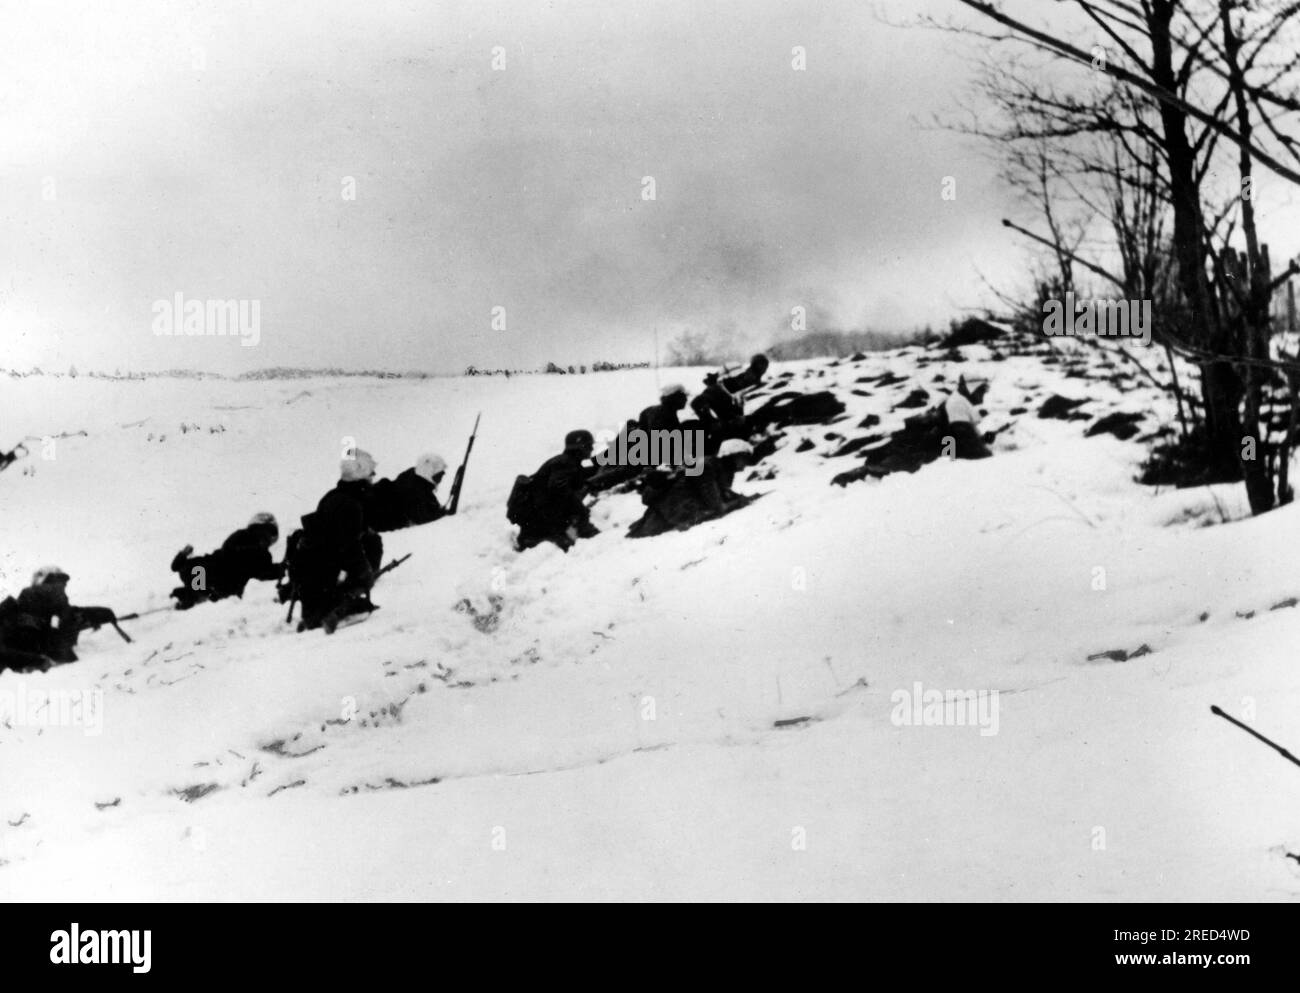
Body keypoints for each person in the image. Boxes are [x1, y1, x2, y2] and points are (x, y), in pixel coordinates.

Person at [291, 449, 385, 632]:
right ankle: (332, 615)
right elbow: (349, 546)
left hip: (311, 573)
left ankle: (318, 616)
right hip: (325, 574)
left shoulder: (333, 497)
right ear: (361, 473)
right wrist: (365, 573)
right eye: (370, 474)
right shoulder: (351, 505)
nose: (372, 478)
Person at [627, 439, 756, 539]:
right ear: (732, 456)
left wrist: (735, 498)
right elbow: (715, 502)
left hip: (679, 505)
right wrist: (736, 503)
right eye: (743, 458)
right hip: (676, 507)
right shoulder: (707, 466)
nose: (745, 463)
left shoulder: (722, 468)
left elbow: (721, 492)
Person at [0, 566, 118, 664]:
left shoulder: (24, 595)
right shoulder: (51, 591)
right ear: (50, 580)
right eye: (61, 582)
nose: (63, 586)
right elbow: (70, 615)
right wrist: (101, 614)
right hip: (35, 648)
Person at [170, 512, 284, 609]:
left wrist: (283, 568)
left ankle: (192, 594)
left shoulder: (262, 553)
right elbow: (230, 551)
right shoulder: (243, 538)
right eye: (265, 533)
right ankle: (193, 594)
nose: (266, 538)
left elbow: (262, 572)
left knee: (201, 577)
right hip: (212, 572)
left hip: (214, 577)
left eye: (269, 535)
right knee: (199, 573)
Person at [515, 430, 600, 552]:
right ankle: (533, 540)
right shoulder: (564, 463)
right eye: (588, 445)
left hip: (541, 516)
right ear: (579, 448)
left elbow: (580, 477)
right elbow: (559, 490)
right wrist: (581, 511)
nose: (592, 448)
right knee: (565, 546)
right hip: (540, 519)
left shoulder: (566, 462)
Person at [366, 453, 448, 532]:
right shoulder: (413, 489)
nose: (439, 481)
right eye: (438, 477)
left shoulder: (414, 480)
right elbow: (424, 519)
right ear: (428, 473)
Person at [943, 374, 993, 460]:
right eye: (981, 392)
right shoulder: (957, 403)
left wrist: (982, 439)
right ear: (972, 388)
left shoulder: (959, 400)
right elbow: (970, 449)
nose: (981, 399)